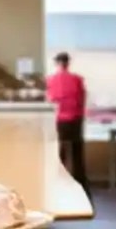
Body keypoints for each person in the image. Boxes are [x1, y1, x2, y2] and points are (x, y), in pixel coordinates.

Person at [46, 52, 90, 193]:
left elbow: (50, 100)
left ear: (56, 63)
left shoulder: (51, 80)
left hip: (60, 121)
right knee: (77, 153)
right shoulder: (77, 79)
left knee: (61, 153)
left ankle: (59, 182)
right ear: (68, 63)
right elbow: (82, 99)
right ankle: (80, 183)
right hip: (76, 119)